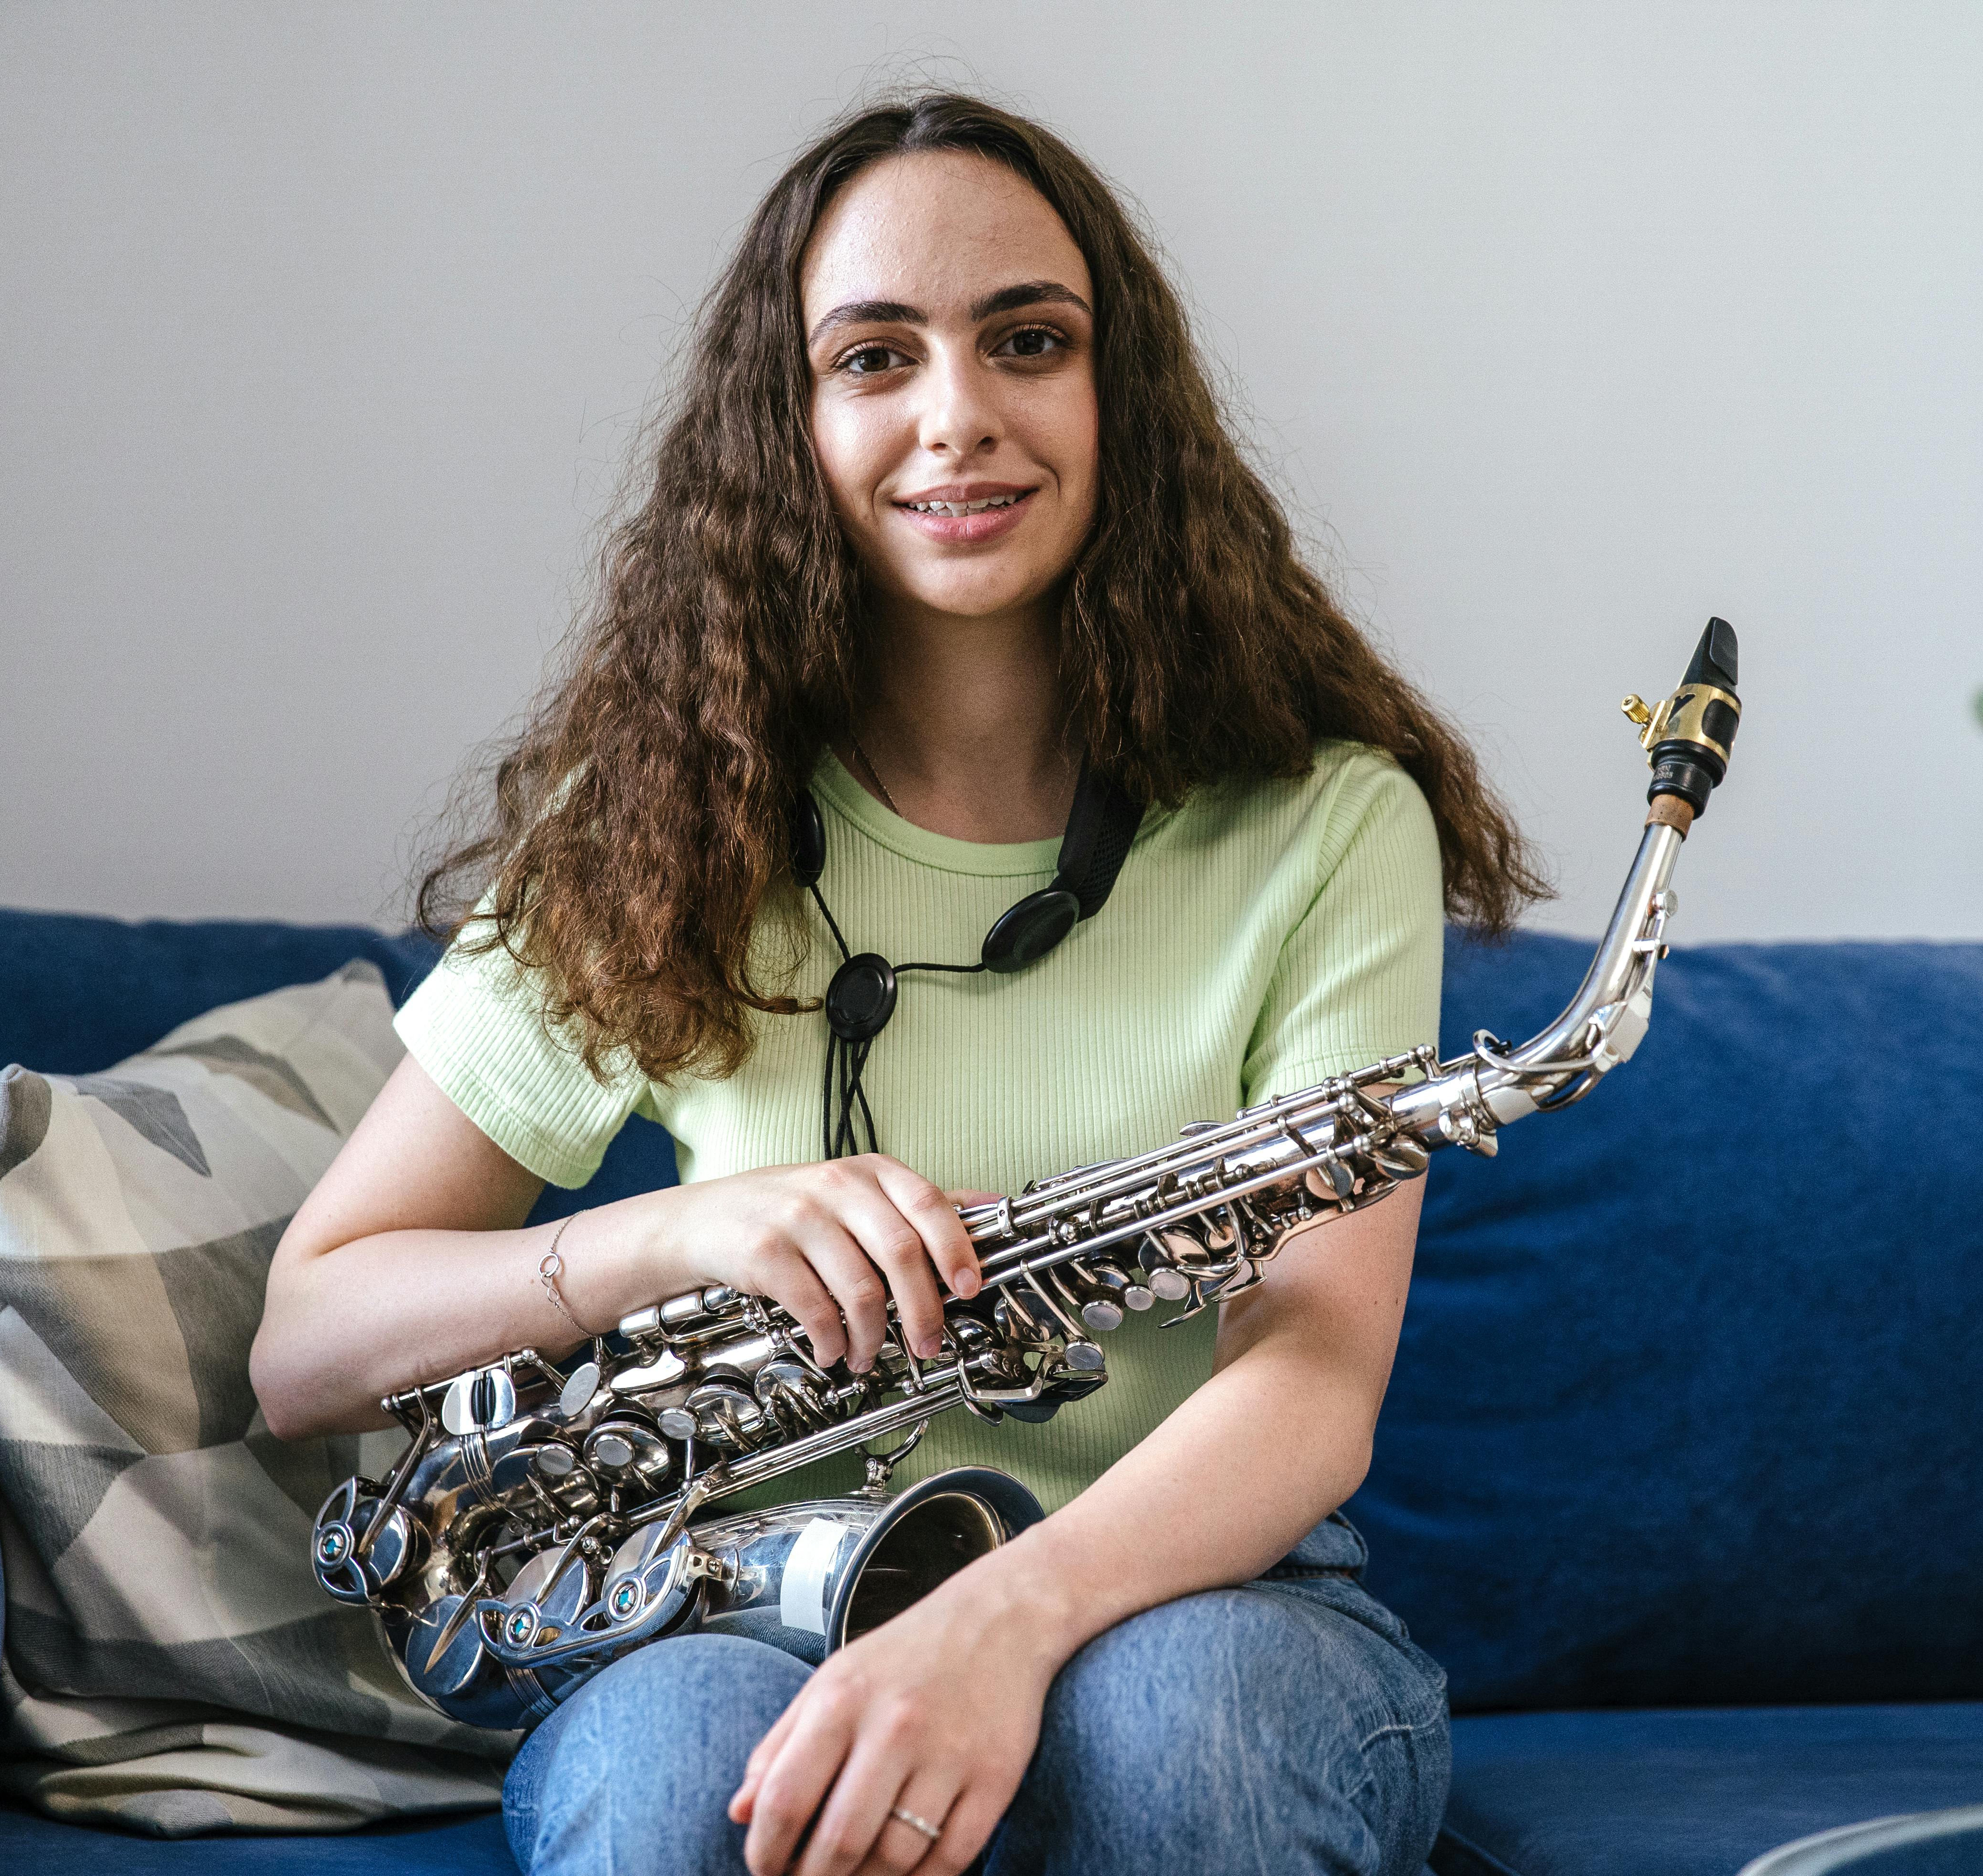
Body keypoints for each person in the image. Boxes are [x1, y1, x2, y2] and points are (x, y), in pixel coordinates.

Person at [251, 92, 1544, 1876]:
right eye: (874, 356)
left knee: (1198, 1756)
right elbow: (307, 1340)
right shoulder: (653, 813)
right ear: (784, 427)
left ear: (1124, 400)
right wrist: (678, 1238)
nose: (960, 419)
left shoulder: (1329, 823)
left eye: (1031, 341)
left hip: (1195, 1593)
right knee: (660, 1796)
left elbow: (1313, 1383)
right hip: (733, 1589)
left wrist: (994, 1625)